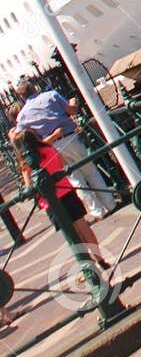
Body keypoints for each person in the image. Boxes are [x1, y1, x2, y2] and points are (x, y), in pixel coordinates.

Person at [7, 80, 109, 272]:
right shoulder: (48, 148)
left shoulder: (26, 161)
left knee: (72, 234)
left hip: (50, 201)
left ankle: (88, 268)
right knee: (83, 220)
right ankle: (100, 256)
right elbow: (61, 162)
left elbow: (29, 186)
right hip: (67, 186)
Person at [13, 81, 116, 222]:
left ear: (22, 97)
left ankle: (97, 211)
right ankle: (110, 204)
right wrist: (74, 102)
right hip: (69, 136)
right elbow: (71, 111)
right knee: (90, 171)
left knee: (75, 179)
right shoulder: (51, 96)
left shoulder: (22, 116)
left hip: (51, 146)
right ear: (34, 88)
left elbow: (18, 136)